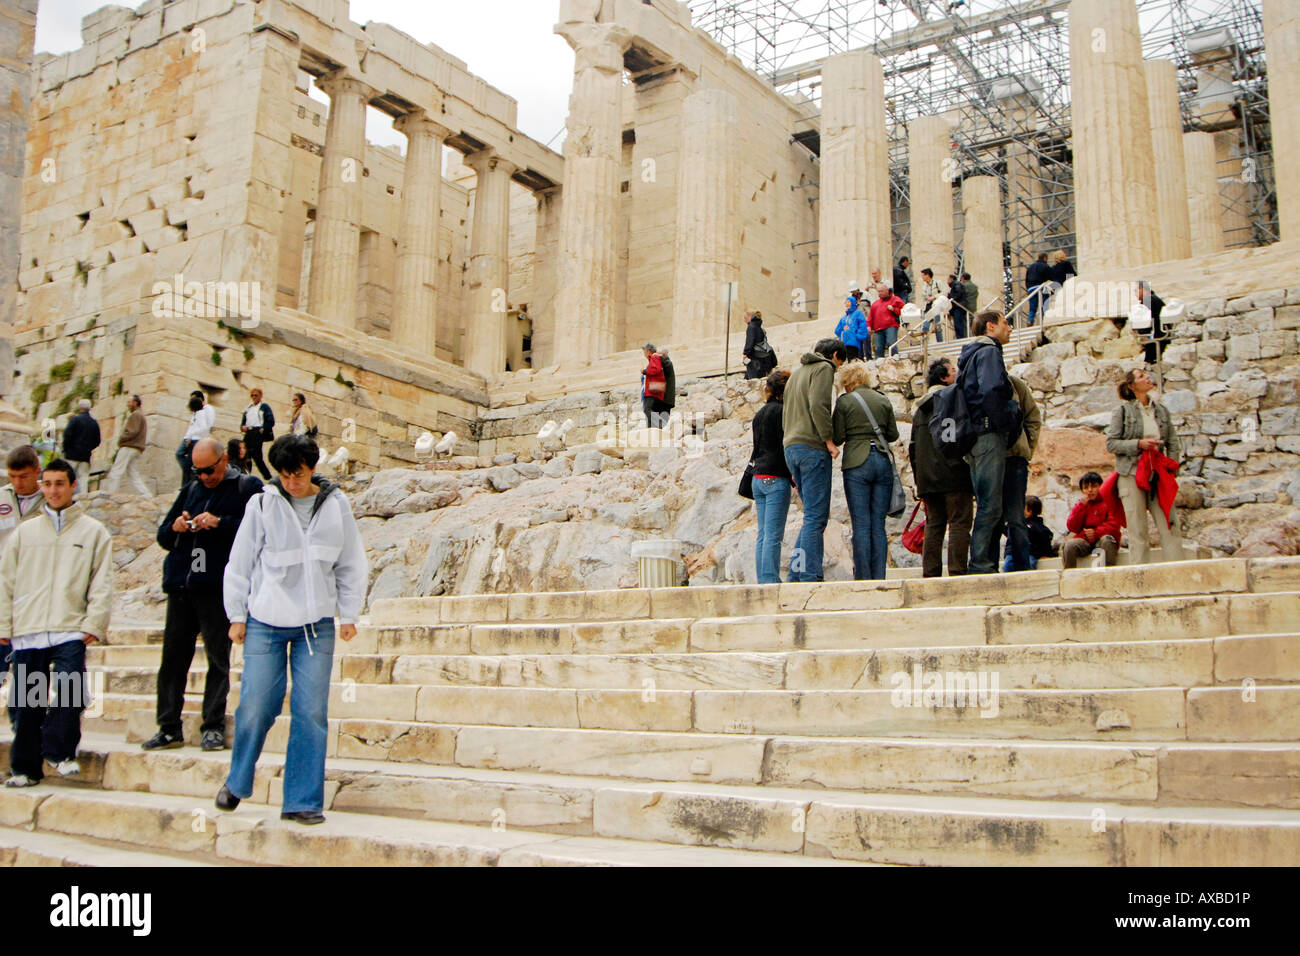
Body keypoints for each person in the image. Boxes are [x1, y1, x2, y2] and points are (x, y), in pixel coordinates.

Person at [216, 434, 368, 824]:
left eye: (298, 475)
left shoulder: (336, 505)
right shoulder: (263, 503)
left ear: (313, 468)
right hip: (265, 620)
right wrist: (236, 615)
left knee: (311, 711)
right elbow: (241, 560)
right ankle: (237, 782)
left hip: (316, 623)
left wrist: (348, 613)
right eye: (284, 476)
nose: (291, 483)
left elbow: (350, 561)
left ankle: (302, 801)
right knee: (255, 706)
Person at [143, 437, 264, 753]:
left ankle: (212, 725)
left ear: (224, 461)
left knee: (217, 659)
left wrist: (219, 523)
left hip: (218, 587)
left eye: (209, 470)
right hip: (182, 586)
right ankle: (168, 727)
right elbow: (163, 535)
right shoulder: (192, 490)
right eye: (197, 471)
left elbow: (261, 531)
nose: (204, 476)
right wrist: (178, 527)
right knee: (172, 662)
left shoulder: (246, 488)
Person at [0, 459, 112, 787]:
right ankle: (25, 769)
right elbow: (6, 581)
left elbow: (101, 581)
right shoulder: (25, 533)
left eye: (59, 484)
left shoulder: (94, 533)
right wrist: (4, 626)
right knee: (27, 702)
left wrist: (95, 622)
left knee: (71, 691)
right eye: (47, 484)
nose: (52, 491)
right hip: (29, 629)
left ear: (73, 485)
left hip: (69, 627)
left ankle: (60, 752)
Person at [958, 311, 1021, 575]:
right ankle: (981, 564)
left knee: (988, 502)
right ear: (991, 326)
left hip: (976, 436)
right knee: (990, 504)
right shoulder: (988, 352)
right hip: (987, 433)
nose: (1011, 327)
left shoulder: (972, 354)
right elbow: (992, 390)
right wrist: (1006, 421)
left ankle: (984, 562)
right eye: (1007, 322)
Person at [1105, 369, 1185, 564]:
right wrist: (1138, 444)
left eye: (1146, 375)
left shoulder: (1161, 410)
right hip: (1131, 471)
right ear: (1132, 386)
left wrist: (1172, 466)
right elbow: (1111, 443)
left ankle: (1177, 572)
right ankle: (1140, 577)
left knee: (1169, 522)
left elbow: (1172, 441)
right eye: (1141, 376)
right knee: (1137, 527)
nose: (1148, 377)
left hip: (1158, 471)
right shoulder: (1122, 412)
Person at [782, 338, 846, 582]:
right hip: (811, 447)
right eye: (840, 362)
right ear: (836, 355)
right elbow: (819, 405)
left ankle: (796, 573)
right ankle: (809, 575)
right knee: (816, 517)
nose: (838, 368)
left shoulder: (796, 375)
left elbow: (786, 415)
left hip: (792, 447)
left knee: (810, 516)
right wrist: (828, 440)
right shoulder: (824, 369)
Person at [833, 361, 899, 580]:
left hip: (856, 462)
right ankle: (879, 575)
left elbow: (839, 436)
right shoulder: (882, 399)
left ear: (849, 383)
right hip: (881, 460)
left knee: (861, 523)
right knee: (878, 524)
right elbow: (893, 435)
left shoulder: (845, 402)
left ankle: (863, 577)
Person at [909, 358, 973, 578]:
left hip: (927, 478)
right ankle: (957, 571)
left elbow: (913, 448)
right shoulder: (951, 401)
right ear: (944, 378)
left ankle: (931, 573)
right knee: (959, 522)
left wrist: (920, 480)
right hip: (954, 474)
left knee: (934, 525)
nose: (957, 373)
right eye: (953, 370)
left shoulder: (920, 410)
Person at [0, 446, 46, 727]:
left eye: (24, 476)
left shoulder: (49, 500)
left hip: (34, 591)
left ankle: (23, 722)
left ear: (37, 472)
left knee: (29, 660)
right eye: (13, 476)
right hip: (3, 591)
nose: (18, 483)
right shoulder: (2, 497)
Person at [749, 369, 792, 584]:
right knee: (773, 536)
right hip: (776, 476)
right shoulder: (784, 412)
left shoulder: (760, 414)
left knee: (763, 534)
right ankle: (769, 579)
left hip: (758, 477)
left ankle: (763, 578)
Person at [998, 374, 1040, 572]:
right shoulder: (974, 382)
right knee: (991, 516)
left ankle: (1022, 566)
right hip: (989, 458)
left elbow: (1033, 417)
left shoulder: (1015, 384)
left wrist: (1027, 448)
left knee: (1016, 517)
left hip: (1014, 458)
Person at [1061, 473, 1120, 570]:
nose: (1089, 490)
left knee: (1107, 540)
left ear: (1101, 487)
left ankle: (1109, 575)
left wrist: (1096, 533)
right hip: (1085, 540)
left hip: (1102, 538)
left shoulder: (1109, 501)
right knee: (1069, 545)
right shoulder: (1082, 504)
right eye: (1085, 487)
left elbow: (1114, 525)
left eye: (1094, 486)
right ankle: (1070, 576)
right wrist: (1081, 506)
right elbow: (1072, 527)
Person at [104, 394, 151, 496]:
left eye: (129, 402)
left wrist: (121, 439)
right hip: (137, 448)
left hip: (129, 446)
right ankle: (146, 494)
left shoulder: (136, 415)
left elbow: (132, 431)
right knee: (134, 474)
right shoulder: (141, 415)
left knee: (116, 471)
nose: (128, 405)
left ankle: (111, 494)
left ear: (135, 403)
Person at [62, 399, 101, 493]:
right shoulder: (94, 423)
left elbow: (67, 435)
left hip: (72, 454)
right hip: (85, 455)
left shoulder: (75, 420)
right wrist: (88, 448)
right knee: (83, 479)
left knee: (67, 477)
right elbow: (97, 441)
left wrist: (66, 449)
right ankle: (83, 500)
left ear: (79, 408)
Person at [178, 391, 215, 487]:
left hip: (197, 439)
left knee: (192, 462)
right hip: (191, 438)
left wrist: (191, 436)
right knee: (186, 460)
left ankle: (188, 485)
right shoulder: (197, 412)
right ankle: (186, 483)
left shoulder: (205, 410)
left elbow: (206, 427)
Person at [240, 388, 275, 481]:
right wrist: (243, 427)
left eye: (256, 395)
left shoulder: (264, 407)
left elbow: (270, 420)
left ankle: (268, 477)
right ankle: (246, 474)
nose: (254, 397)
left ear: (260, 396)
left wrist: (264, 429)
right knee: (245, 454)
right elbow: (244, 421)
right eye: (252, 395)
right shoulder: (249, 407)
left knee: (257, 457)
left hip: (257, 432)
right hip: (249, 432)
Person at [1134, 282, 1167, 365]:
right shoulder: (1154, 299)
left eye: (1136, 290)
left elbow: (1145, 319)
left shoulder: (1147, 299)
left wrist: (1143, 334)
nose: (1135, 293)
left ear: (1143, 290)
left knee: (1151, 363)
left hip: (1154, 337)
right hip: (1161, 335)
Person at [1023, 496, 1060, 569]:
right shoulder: (1040, 526)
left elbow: (1046, 540)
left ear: (1029, 511)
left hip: (1032, 555)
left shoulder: (1030, 526)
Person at [868, 285, 904, 358]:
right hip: (878, 329)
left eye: (881, 291)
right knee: (878, 348)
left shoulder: (896, 299)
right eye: (878, 291)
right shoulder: (875, 304)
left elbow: (903, 310)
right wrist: (869, 326)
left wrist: (894, 309)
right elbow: (870, 317)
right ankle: (879, 364)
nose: (880, 293)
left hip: (891, 326)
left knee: (891, 343)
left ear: (887, 291)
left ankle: (895, 360)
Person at [640, 344, 670, 429]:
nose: (644, 354)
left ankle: (660, 424)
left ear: (649, 351)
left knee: (647, 409)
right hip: (654, 388)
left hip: (653, 390)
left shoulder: (654, 357)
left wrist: (645, 371)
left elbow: (656, 370)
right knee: (652, 410)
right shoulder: (653, 359)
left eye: (644, 352)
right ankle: (651, 430)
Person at [743, 311, 777, 380]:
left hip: (755, 358)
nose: (744, 320)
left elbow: (750, 341)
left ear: (750, 317)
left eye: (745, 318)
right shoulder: (760, 328)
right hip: (764, 357)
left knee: (753, 379)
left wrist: (745, 353)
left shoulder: (751, 327)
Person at [834, 295, 869, 361]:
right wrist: (843, 330)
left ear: (852, 303)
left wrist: (857, 336)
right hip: (844, 343)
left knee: (853, 360)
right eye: (846, 302)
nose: (847, 304)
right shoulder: (843, 318)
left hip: (853, 342)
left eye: (848, 302)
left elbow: (862, 325)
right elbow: (837, 330)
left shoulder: (857, 313)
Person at [1025, 252, 1053, 326]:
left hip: (1031, 288)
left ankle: (1030, 321)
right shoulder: (1045, 266)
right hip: (1042, 287)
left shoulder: (1030, 267)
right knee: (1045, 304)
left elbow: (1026, 279)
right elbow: (1050, 278)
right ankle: (1044, 320)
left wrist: (1028, 288)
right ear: (1045, 258)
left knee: (1032, 307)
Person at [659, 346, 677, 425]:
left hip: (667, 399)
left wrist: (656, 356)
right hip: (665, 398)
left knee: (663, 419)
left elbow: (663, 363)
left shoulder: (668, 363)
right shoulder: (667, 363)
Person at [948, 273, 969, 340]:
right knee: (958, 324)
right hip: (957, 307)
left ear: (951, 279)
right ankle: (959, 337)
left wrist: (951, 298)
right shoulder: (955, 285)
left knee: (958, 324)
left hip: (959, 307)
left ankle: (960, 338)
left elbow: (958, 294)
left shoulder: (957, 284)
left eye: (948, 279)